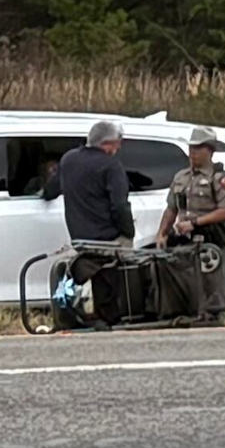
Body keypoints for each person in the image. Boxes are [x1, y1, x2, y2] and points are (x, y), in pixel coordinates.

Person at [52, 119, 139, 326]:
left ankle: (83, 313)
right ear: (107, 144)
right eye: (118, 144)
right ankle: (117, 315)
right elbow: (119, 205)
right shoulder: (111, 165)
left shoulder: (68, 159)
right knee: (122, 272)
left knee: (87, 270)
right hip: (107, 238)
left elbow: (51, 189)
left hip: (80, 237)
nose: (118, 149)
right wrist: (128, 232)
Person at [160, 127, 225, 325]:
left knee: (214, 280)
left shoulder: (220, 178)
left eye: (198, 149)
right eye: (191, 148)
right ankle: (194, 314)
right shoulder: (181, 177)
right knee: (187, 279)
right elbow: (171, 208)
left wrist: (195, 223)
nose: (193, 153)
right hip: (186, 238)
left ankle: (220, 316)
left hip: (213, 236)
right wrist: (162, 233)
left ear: (210, 151)